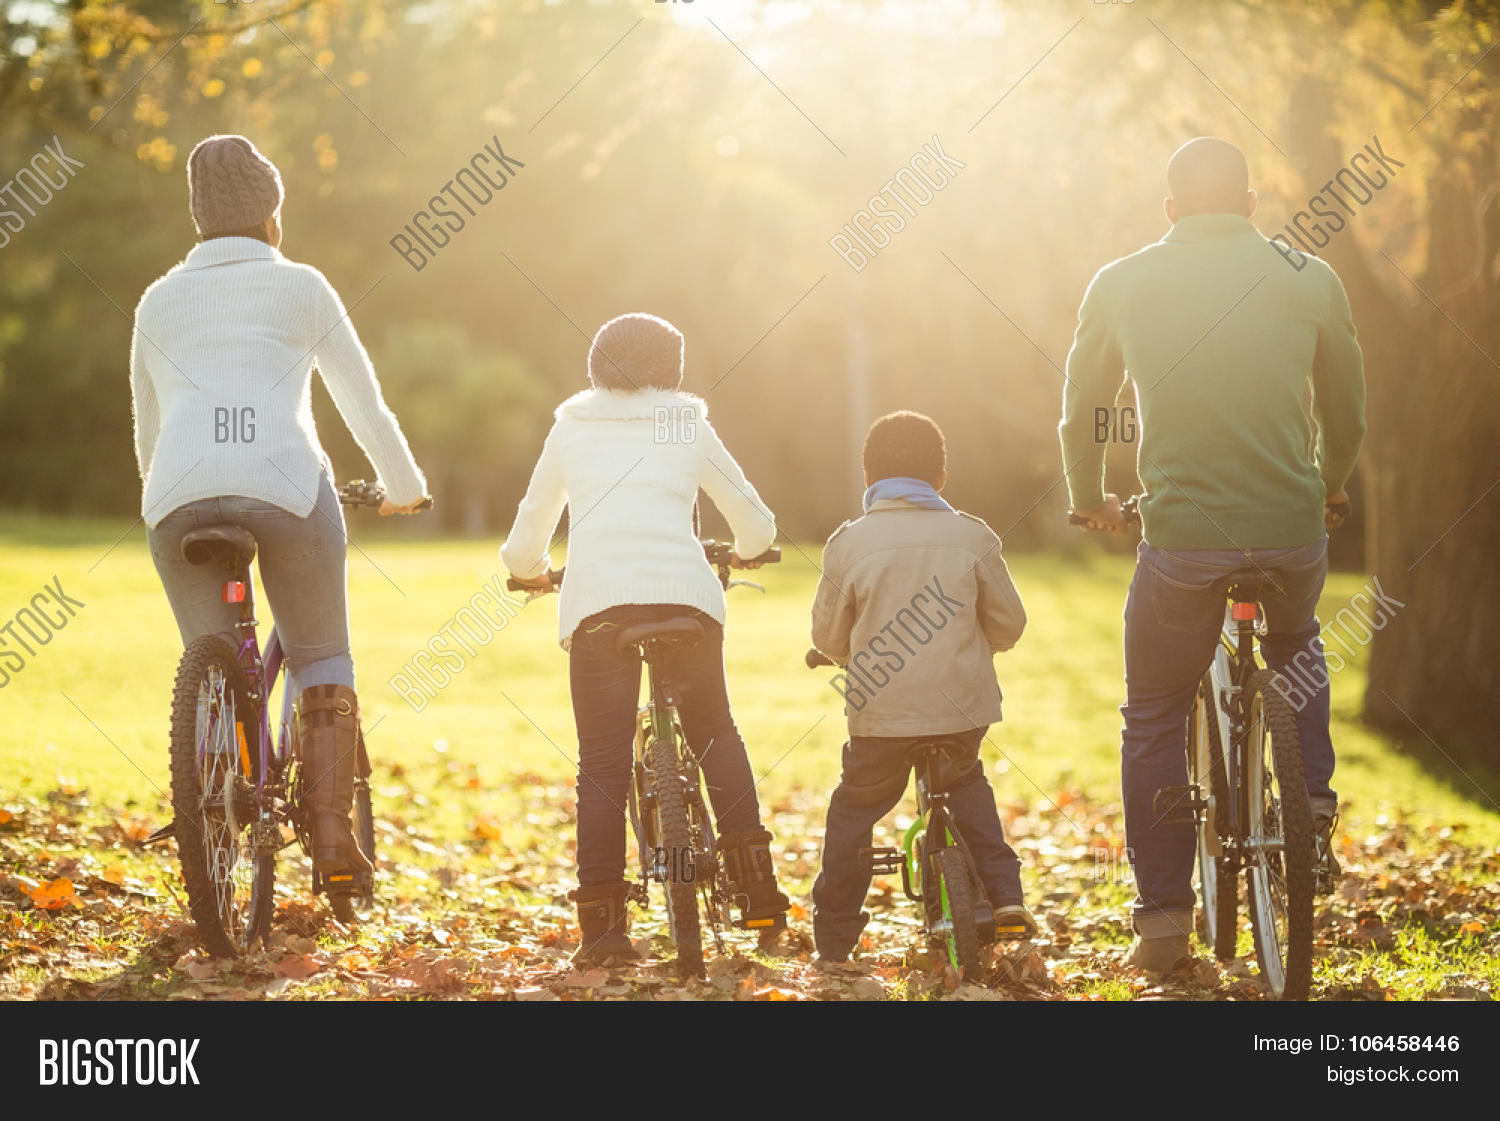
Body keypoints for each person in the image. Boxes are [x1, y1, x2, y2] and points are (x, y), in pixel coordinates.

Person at [1060, 136, 1366, 972]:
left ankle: (1162, 920)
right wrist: (1329, 481)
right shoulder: (1312, 277)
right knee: (1298, 641)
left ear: (1169, 210)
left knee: (1154, 712)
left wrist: (1089, 495)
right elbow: (1347, 402)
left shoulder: (1122, 280)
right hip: (1292, 528)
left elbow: (1087, 400)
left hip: (1183, 540)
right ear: (1251, 204)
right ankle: (1308, 806)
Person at [132, 134, 429, 886]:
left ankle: (213, 792)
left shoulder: (159, 300)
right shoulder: (301, 285)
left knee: (212, 662)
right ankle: (331, 834)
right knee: (320, 652)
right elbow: (364, 404)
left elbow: (148, 428)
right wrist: (403, 485)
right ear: (272, 214)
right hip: (287, 487)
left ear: (199, 219)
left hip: (176, 496)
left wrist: (164, 500)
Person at [501, 312, 791, 964]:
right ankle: (759, 888)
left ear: (597, 366)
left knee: (602, 767)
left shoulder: (573, 429)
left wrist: (531, 573)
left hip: (600, 607)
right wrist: (746, 552)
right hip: (687, 597)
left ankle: (603, 930)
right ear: (673, 369)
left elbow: (527, 535)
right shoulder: (679, 422)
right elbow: (756, 523)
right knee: (716, 731)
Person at [809, 410, 1035, 962]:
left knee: (855, 813)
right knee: (967, 787)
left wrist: (840, 654)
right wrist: (987, 643)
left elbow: (828, 633)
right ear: (941, 477)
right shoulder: (972, 535)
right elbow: (1009, 622)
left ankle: (835, 936)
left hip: (882, 716)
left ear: (869, 478)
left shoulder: (849, 543)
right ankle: (1005, 897)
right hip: (961, 710)